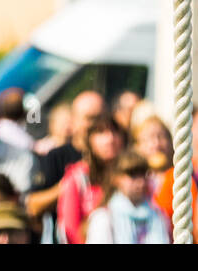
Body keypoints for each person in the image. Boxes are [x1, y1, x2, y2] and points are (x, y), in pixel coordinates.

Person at [27, 90, 105, 241]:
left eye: (101, 118)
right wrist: (70, 186)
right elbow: (33, 205)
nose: (96, 124)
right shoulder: (56, 156)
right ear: (73, 121)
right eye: (89, 118)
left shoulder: (113, 156)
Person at [57, 115, 125, 244]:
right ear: (90, 141)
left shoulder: (133, 176)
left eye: (114, 132)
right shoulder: (78, 178)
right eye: (101, 132)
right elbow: (70, 229)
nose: (110, 139)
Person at [86, 149, 171, 244]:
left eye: (143, 174)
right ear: (116, 178)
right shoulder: (104, 218)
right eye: (132, 175)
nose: (141, 182)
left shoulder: (158, 215)